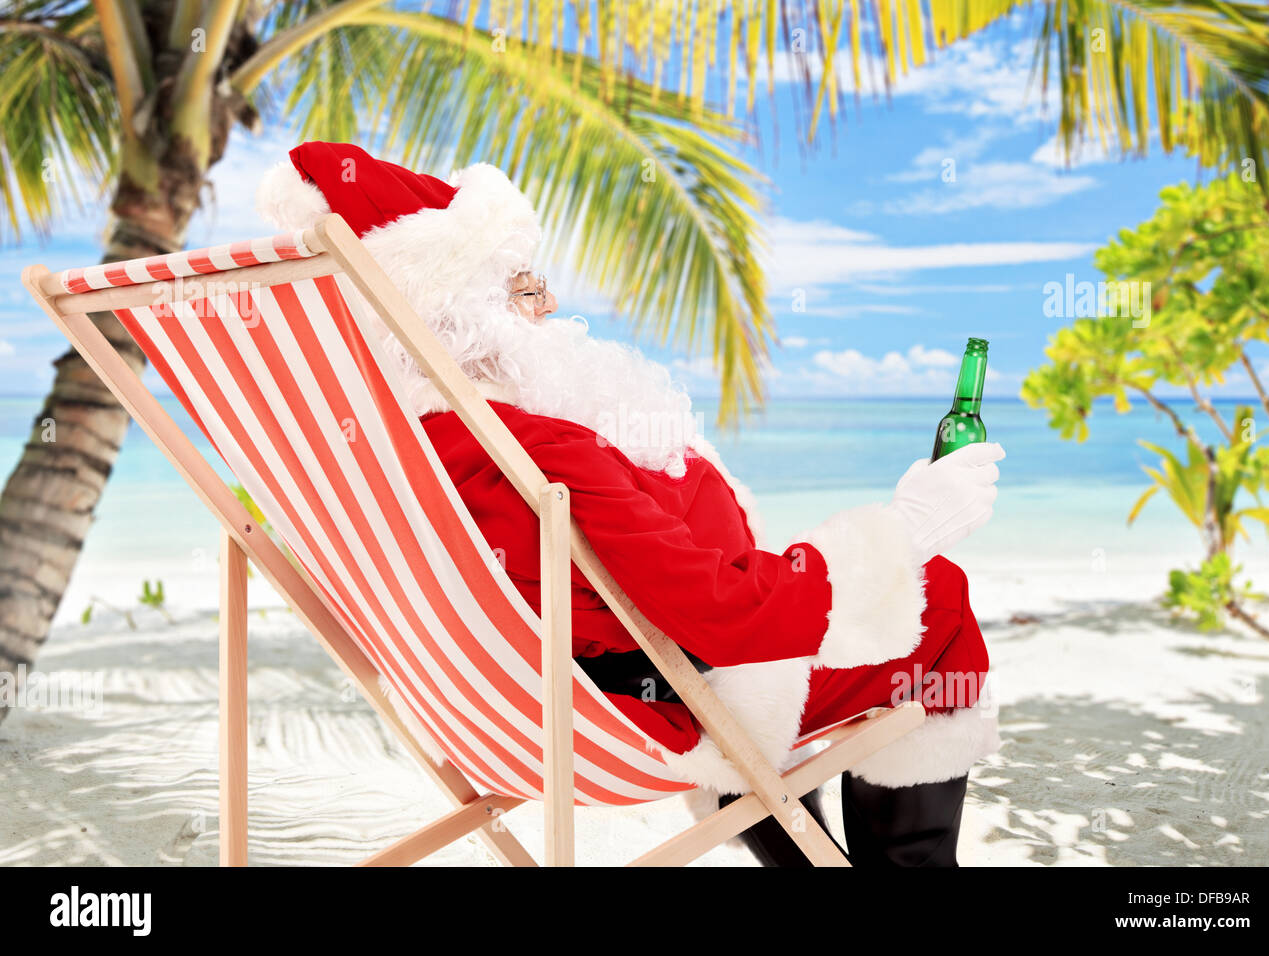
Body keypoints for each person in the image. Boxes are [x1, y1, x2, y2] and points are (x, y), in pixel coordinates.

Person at [256, 141, 1005, 867]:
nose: (546, 307)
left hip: (493, 718)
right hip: (660, 707)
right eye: (522, 286)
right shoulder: (528, 450)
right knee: (939, 599)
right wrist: (909, 529)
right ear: (459, 312)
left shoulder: (375, 453)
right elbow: (725, 615)